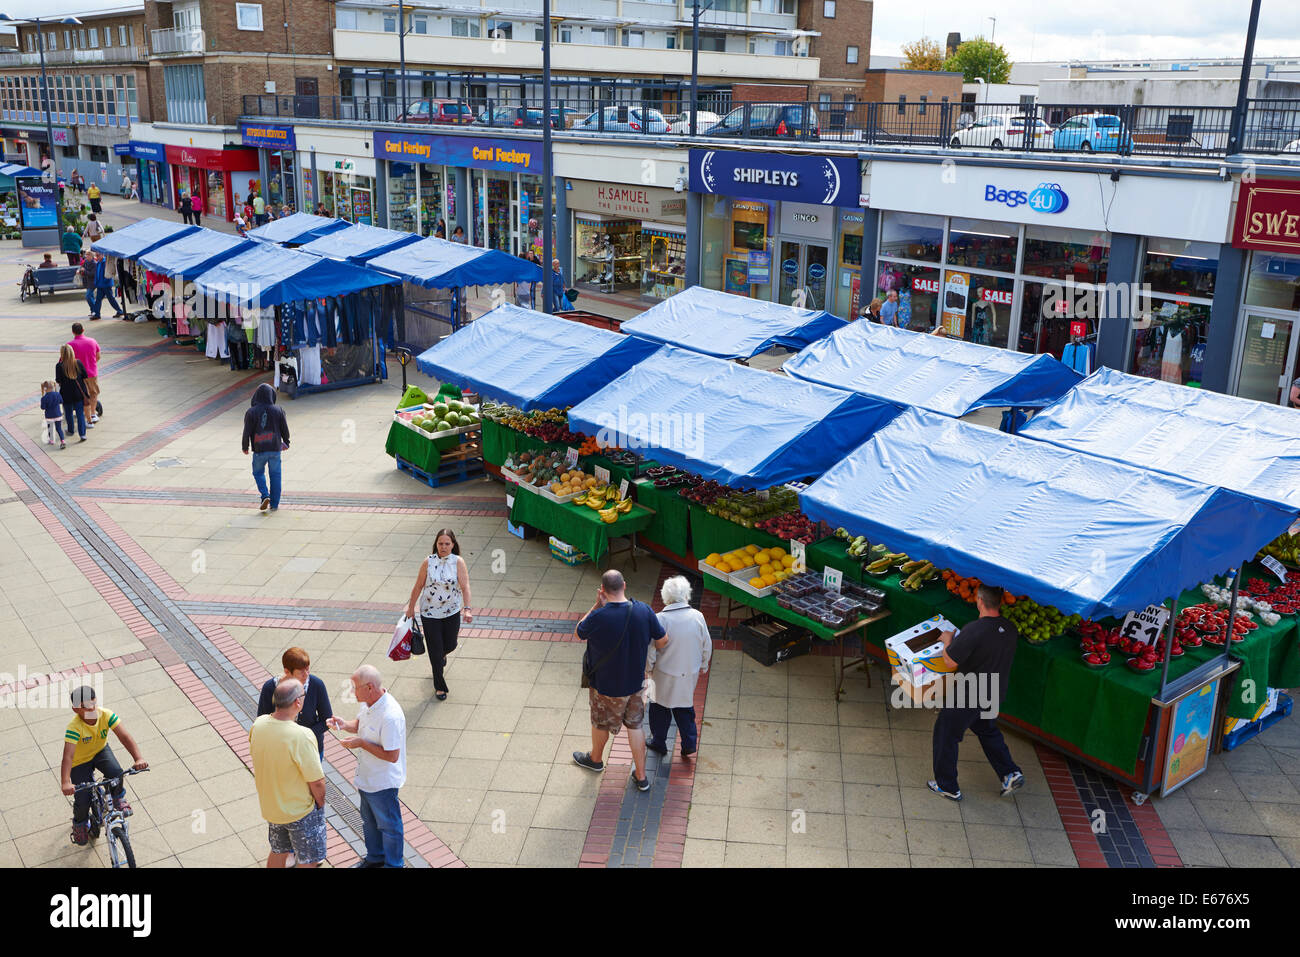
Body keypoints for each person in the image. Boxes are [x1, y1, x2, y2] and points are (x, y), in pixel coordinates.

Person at [927, 583, 1025, 802]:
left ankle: (947, 786)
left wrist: (947, 640)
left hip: (969, 695)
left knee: (946, 734)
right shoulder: (1010, 628)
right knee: (986, 729)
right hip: (994, 692)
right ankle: (1010, 773)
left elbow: (950, 661)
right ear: (1000, 602)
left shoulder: (975, 629)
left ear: (979, 600)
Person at [572, 569, 665, 793]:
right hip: (635, 683)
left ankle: (595, 760)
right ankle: (641, 776)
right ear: (624, 584)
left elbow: (578, 633)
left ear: (602, 590)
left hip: (605, 686)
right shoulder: (643, 610)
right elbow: (662, 641)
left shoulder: (599, 615)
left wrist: (596, 605)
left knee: (601, 723)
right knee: (635, 725)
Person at [328, 665, 406, 868]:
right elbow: (361, 724)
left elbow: (392, 755)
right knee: (369, 823)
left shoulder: (390, 716)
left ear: (370, 687)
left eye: (355, 687)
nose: (352, 691)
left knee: (390, 827)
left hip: (382, 783)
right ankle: (375, 858)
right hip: (366, 778)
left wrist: (361, 743)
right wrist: (344, 724)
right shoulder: (369, 703)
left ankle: (394, 865)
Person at [249, 678, 327, 868]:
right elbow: (316, 782)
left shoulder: (258, 725)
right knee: (309, 860)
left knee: (278, 851)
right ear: (297, 702)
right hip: (300, 810)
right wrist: (320, 804)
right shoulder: (301, 735)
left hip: (272, 808)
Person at [60, 685, 148, 846]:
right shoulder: (74, 727)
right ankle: (79, 824)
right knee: (83, 797)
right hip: (80, 762)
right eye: (85, 707)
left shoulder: (106, 715)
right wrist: (66, 781)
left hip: (100, 751)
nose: (92, 708)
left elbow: (124, 736)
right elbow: (68, 756)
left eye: (93, 703)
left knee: (116, 773)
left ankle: (118, 798)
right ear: (76, 710)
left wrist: (138, 758)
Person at [404, 528, 474, 701]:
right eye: (440, 543)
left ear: (453, 545)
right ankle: (440, 686)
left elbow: (465, 586)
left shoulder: (458, 562)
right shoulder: (428, 562)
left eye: (447, 544)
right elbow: (418, 586)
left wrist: (468, 608)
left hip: (451, 611)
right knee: (434, 652)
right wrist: (411, 608)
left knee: (450, 644)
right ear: (436, 544)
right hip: (430, 613)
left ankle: (443, 654)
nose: (443, 547)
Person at [646, 576, 711, 758]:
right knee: (685, 708)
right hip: (689, 671)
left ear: (665, 596)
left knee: (659, 708)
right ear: (686, 595)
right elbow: (707, 643)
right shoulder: (698, 616)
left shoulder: (660, 619)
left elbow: (651, 649)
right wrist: (704, 663)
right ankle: (689, 743)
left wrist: (648, 668)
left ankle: (659, 742)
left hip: (663, 673)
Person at [257, 648, 333, 759]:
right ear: (287, 671)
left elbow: (326, 719)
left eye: (308, 669)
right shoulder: (270, 688)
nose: (306, 675)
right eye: (301, 671)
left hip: (310, 749)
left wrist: (304, 735)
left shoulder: (317, 684)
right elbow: (262, 719)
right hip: (281, 751)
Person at [242, 383, 290, 512]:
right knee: (275, 475)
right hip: (275, 448)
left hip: (259, 449)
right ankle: (274, 504)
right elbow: (284, 429)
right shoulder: (278, 410)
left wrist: (245, 446)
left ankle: (265, 495)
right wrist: (286, 442)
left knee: (258, 473)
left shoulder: (251, 412)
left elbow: (246, 432)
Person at [68, 323, 103, 423]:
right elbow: (98, 356)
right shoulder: (92, 341)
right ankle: (93, 414)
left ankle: (85, 414)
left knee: (83, 395)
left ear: (73, 332)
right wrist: (91, 364)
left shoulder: (70, 345)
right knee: (93, 393)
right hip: (92, 373)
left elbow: (65, 360)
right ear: (83, 330)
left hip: (78, 374)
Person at [55, 345, 89, 442]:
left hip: (66, 394)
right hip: (79, 393)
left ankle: (70, 430)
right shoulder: (78, 363)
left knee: (68, 413)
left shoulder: (59, 366)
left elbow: (58, 380)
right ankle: (82, 434)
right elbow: (85, 377)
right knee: (80, 414)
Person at [91, 257, 125, 321]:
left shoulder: (106, 262)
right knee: (98, 300)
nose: (97, 255)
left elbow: (109, 272)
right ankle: (97, 314)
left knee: (111, 299)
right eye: (96, 254)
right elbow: (97, 274)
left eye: (99, 254)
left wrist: (105, 280)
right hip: (100, 285)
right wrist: (96, 282)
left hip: (106, 285)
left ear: (102, 255)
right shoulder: (98, 263)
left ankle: (120, 311)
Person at [40, 380, 66, 450]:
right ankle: (62, 440)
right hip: (57, 414)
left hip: (49, 416)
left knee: (50, 428)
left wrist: (42, 395)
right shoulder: (57, 394)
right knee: (59, 428)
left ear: (45, 389)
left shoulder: (44, 398)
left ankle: (51, 440)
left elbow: (43, 407)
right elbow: (61, 401)